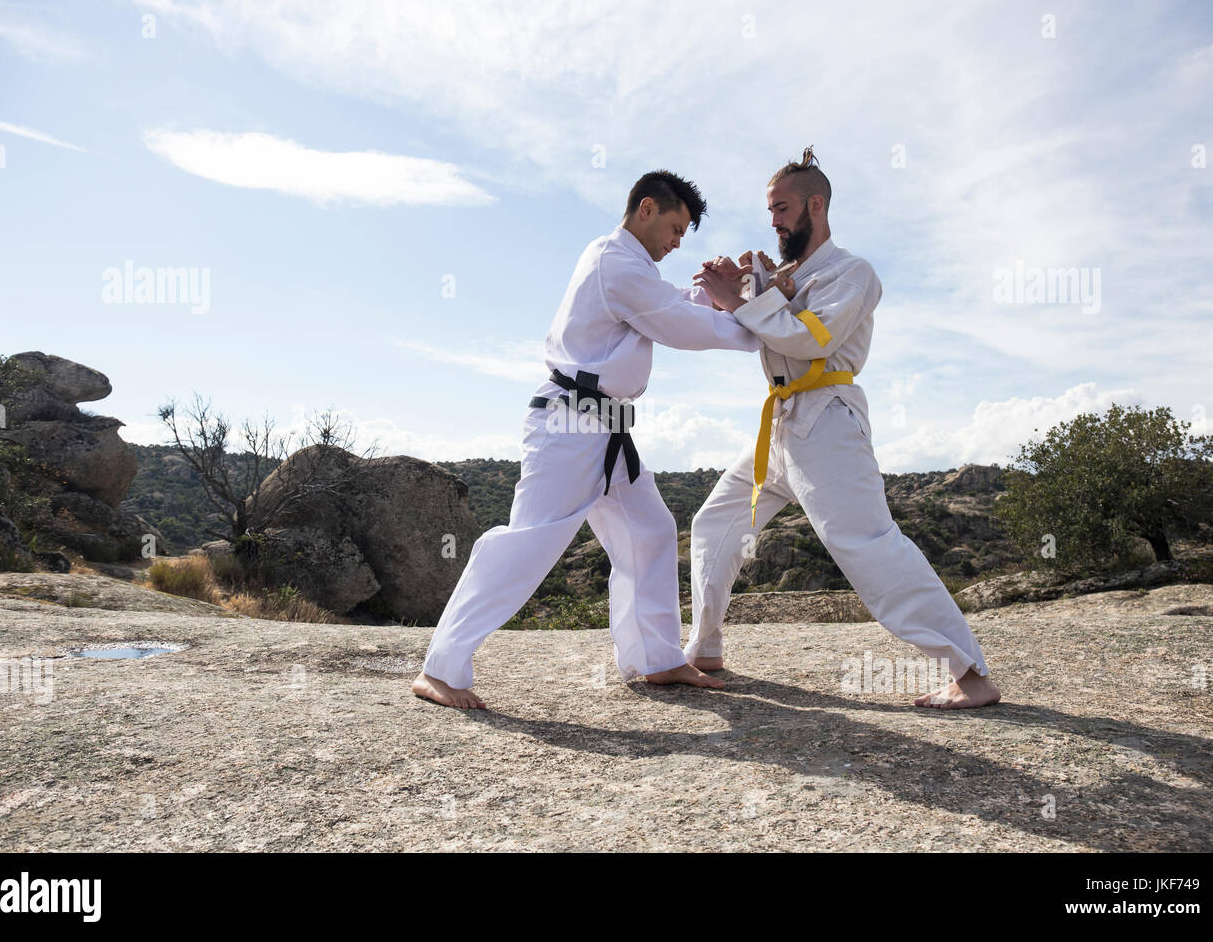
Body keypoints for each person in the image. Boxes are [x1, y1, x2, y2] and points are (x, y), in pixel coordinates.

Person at [413, 170, 760, 709]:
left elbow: (674, 304)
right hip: (571, 424)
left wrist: (720, 292)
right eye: (674, 227)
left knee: (649, 531)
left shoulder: (629, 266)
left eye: (683, 234)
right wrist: (760, 321)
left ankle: (657, 659)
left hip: (604, 428)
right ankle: (441, 667)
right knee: (531, 540)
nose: (675, 242)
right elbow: (680, 324)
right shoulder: (614, 264)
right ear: (646, 209)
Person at [688, 148, 1001, 709]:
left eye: (782, 208)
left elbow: (810, 338)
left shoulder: (851, 272)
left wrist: (743, 299)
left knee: (865, 543)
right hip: (783, 423)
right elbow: (757, 322)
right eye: (770, 211)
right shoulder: (786, 276)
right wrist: (745, 288)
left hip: (828, 420)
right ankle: (704, 647)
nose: (775, 220)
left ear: (816, 204)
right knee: (716, 522)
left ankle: (971, 674)